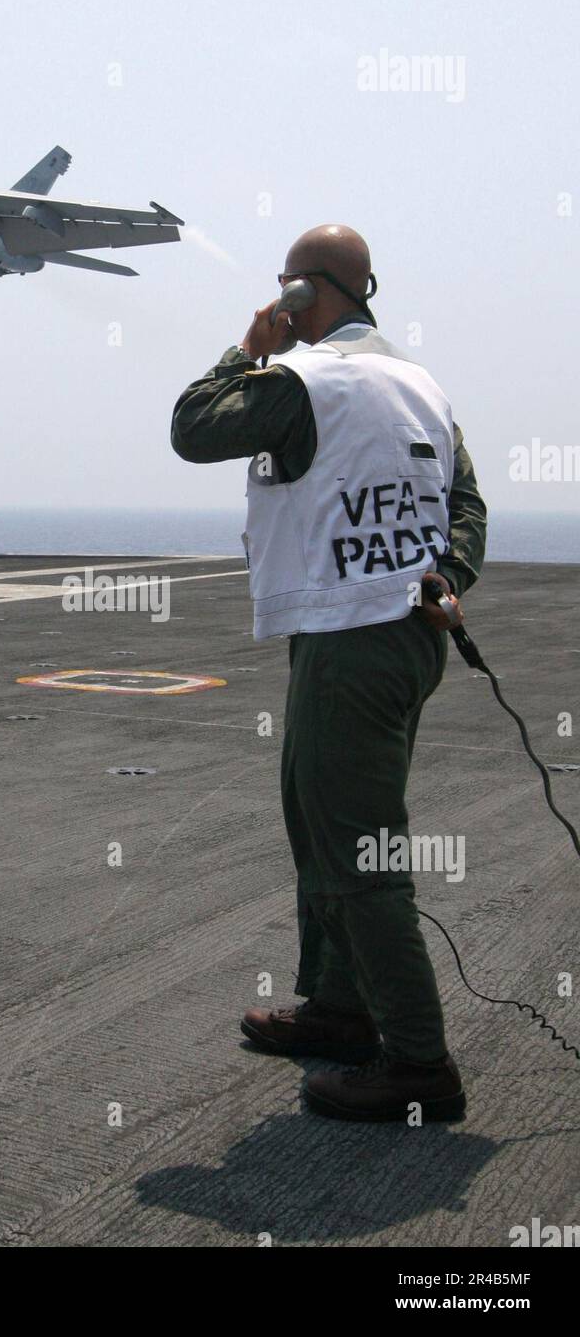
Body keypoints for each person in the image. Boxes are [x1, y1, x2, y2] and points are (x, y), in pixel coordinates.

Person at [171, 224, 487, 1122]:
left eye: (286, 287)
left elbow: (192, 428)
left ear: (305, 293)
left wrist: (247, 349)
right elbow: (467, 502)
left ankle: (419, 1064)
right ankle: (343, 1010)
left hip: (353, 640)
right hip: (391, 630)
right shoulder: (421, 387)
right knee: (318, 817)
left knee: (356, 848)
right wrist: (447, 577)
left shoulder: (303, 381)